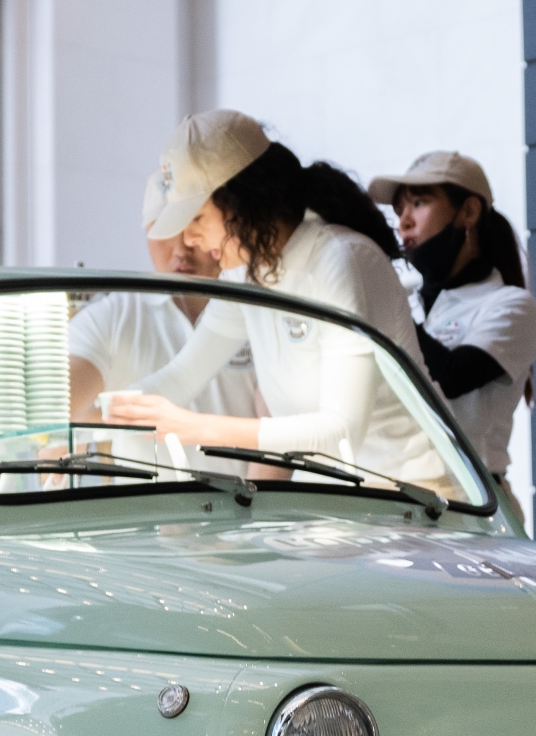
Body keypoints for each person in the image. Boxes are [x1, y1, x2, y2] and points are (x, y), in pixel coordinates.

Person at [104, 111, 436, 477]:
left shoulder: (340, 261)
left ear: (242, 202)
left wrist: (195, 427)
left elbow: (341, 435)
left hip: (417, 491)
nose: (187, 240)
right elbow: (183, 377)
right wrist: (107, 414)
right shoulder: (245, 272)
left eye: (196, 218)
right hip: (341, 497)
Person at [370, 151, 536, 494]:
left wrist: (379, 295)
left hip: (473, 501)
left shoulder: (511, 306)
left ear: (469, 212)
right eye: (400, 210)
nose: (404, 222)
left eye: (418, 203)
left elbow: (450, 378)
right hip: (393, 496)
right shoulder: (404, 300)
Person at [67, 229, 262, 422]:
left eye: (195, 227)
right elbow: (58, 413)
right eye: (164, 230)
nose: (181, 250)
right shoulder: (111, 316)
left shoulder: (256, 309)